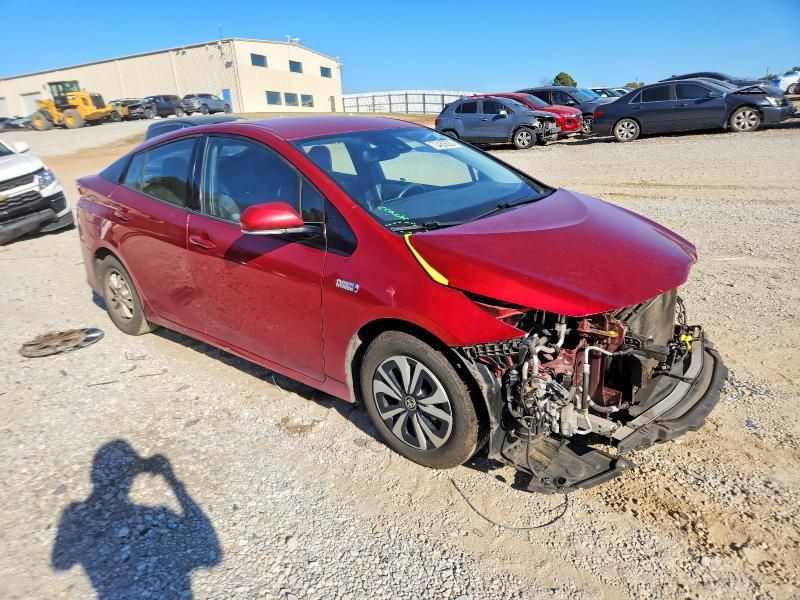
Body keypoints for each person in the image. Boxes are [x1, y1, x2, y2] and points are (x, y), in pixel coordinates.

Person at [52, 440, 220, 599]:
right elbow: (210, 554)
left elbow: (60, 563)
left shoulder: (75, 516)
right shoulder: (160, 514)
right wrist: (173, 482)